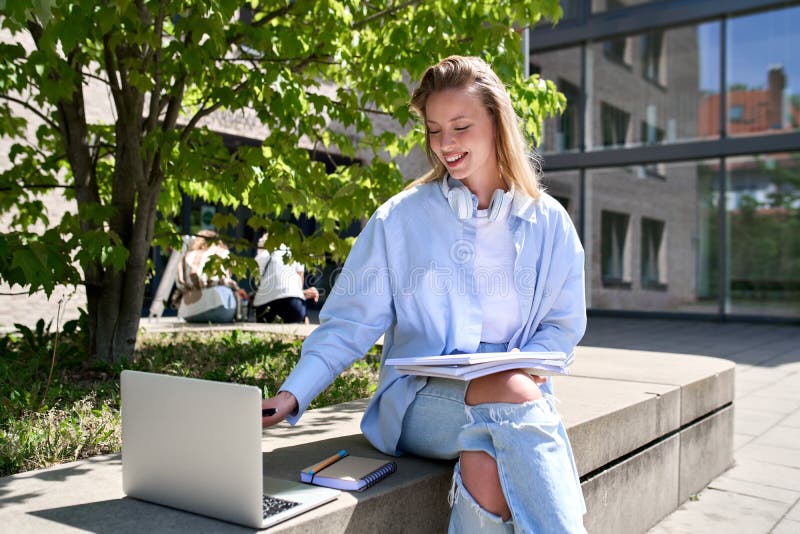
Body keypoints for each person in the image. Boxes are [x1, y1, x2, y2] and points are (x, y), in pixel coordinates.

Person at [262, 55, 587, 532]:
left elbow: (562, 325)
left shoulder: (549, 221)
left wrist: (523, 364)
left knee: (484, 458)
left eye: (460, 126)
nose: (445, 145)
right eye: (435, 130)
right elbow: (350, 323)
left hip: (518, 395)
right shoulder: (399, 219)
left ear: (498, 123)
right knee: (511, 397)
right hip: (422, 402)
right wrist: (293, 394)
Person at [174, 230, 247, 323]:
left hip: (190, 312)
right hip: (220, 310)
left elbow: (180, 284)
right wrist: (236, 288)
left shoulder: (187, 256)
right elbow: (223, 279)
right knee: (232, 293)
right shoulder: (223, 253)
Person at [252, 236, 319, 323]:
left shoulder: (260, 256)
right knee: (300, 314)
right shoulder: (295, 255)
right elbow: (299, 285)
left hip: (265, 307)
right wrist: (302, 293)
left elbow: (261, 286)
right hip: (294, 307)